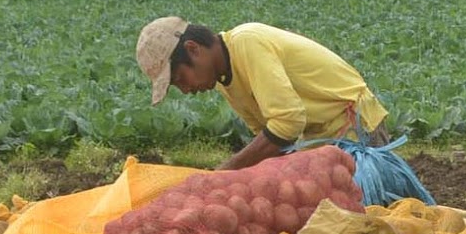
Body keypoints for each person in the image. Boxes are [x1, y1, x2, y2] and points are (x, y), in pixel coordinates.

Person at [135, 17, 390, 171]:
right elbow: (270, 139)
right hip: (320, 140)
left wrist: (228, 169)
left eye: (180, 79)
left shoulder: (248, 42)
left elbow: (288, 122)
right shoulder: (224, 80)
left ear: (193, 49)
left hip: (354, 129)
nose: (186, 90)